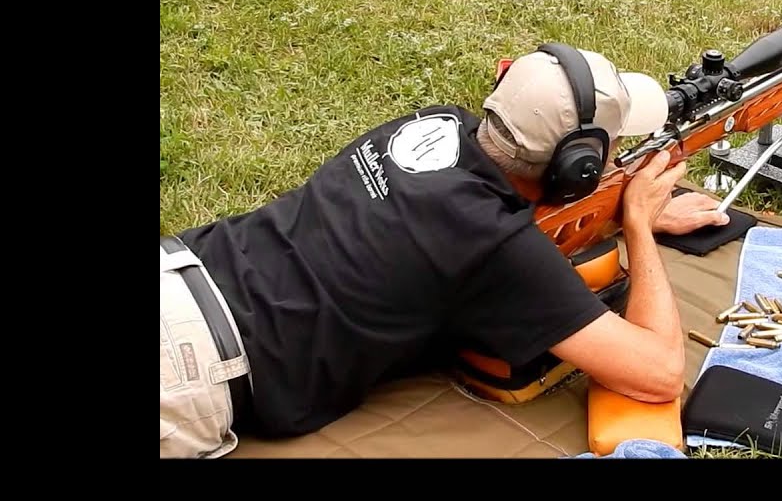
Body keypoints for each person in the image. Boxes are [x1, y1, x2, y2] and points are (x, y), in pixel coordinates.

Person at [159, 44, 732, 459]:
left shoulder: (431, 126)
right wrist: (637, 223)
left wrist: (617, 207)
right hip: (190, 376)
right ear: (575, 165)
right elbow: (657, 373)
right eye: (611, 150)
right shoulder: (496, 248)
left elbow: (480, 217)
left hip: (180, 272)